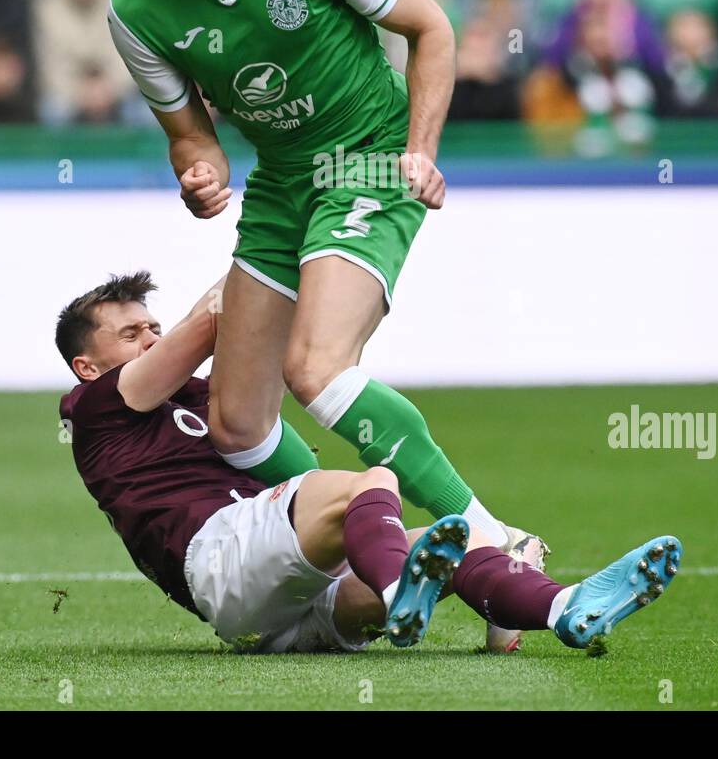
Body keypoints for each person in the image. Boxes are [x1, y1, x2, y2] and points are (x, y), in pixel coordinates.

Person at [106, 0, 545, 652]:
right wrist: (198, 174)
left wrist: (420, 149)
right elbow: (191, 138)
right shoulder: (136, 12)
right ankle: (391, 541)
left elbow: (434, 30)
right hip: (279, 183)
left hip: (369, 159)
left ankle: (493, 542)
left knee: (316, 366)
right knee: (237, 426)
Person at [55, 270, 683, 653]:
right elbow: (208, 323)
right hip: (218, 557)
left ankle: (562, 607)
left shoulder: (197, 393)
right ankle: (396, 582)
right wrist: (271, 245)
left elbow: (250, 331)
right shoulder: (94, 407)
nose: (152, 338)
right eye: (132, 333)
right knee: (369, 482)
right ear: (88, 365)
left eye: (153, 326)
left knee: (450, 549)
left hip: (264, 615)